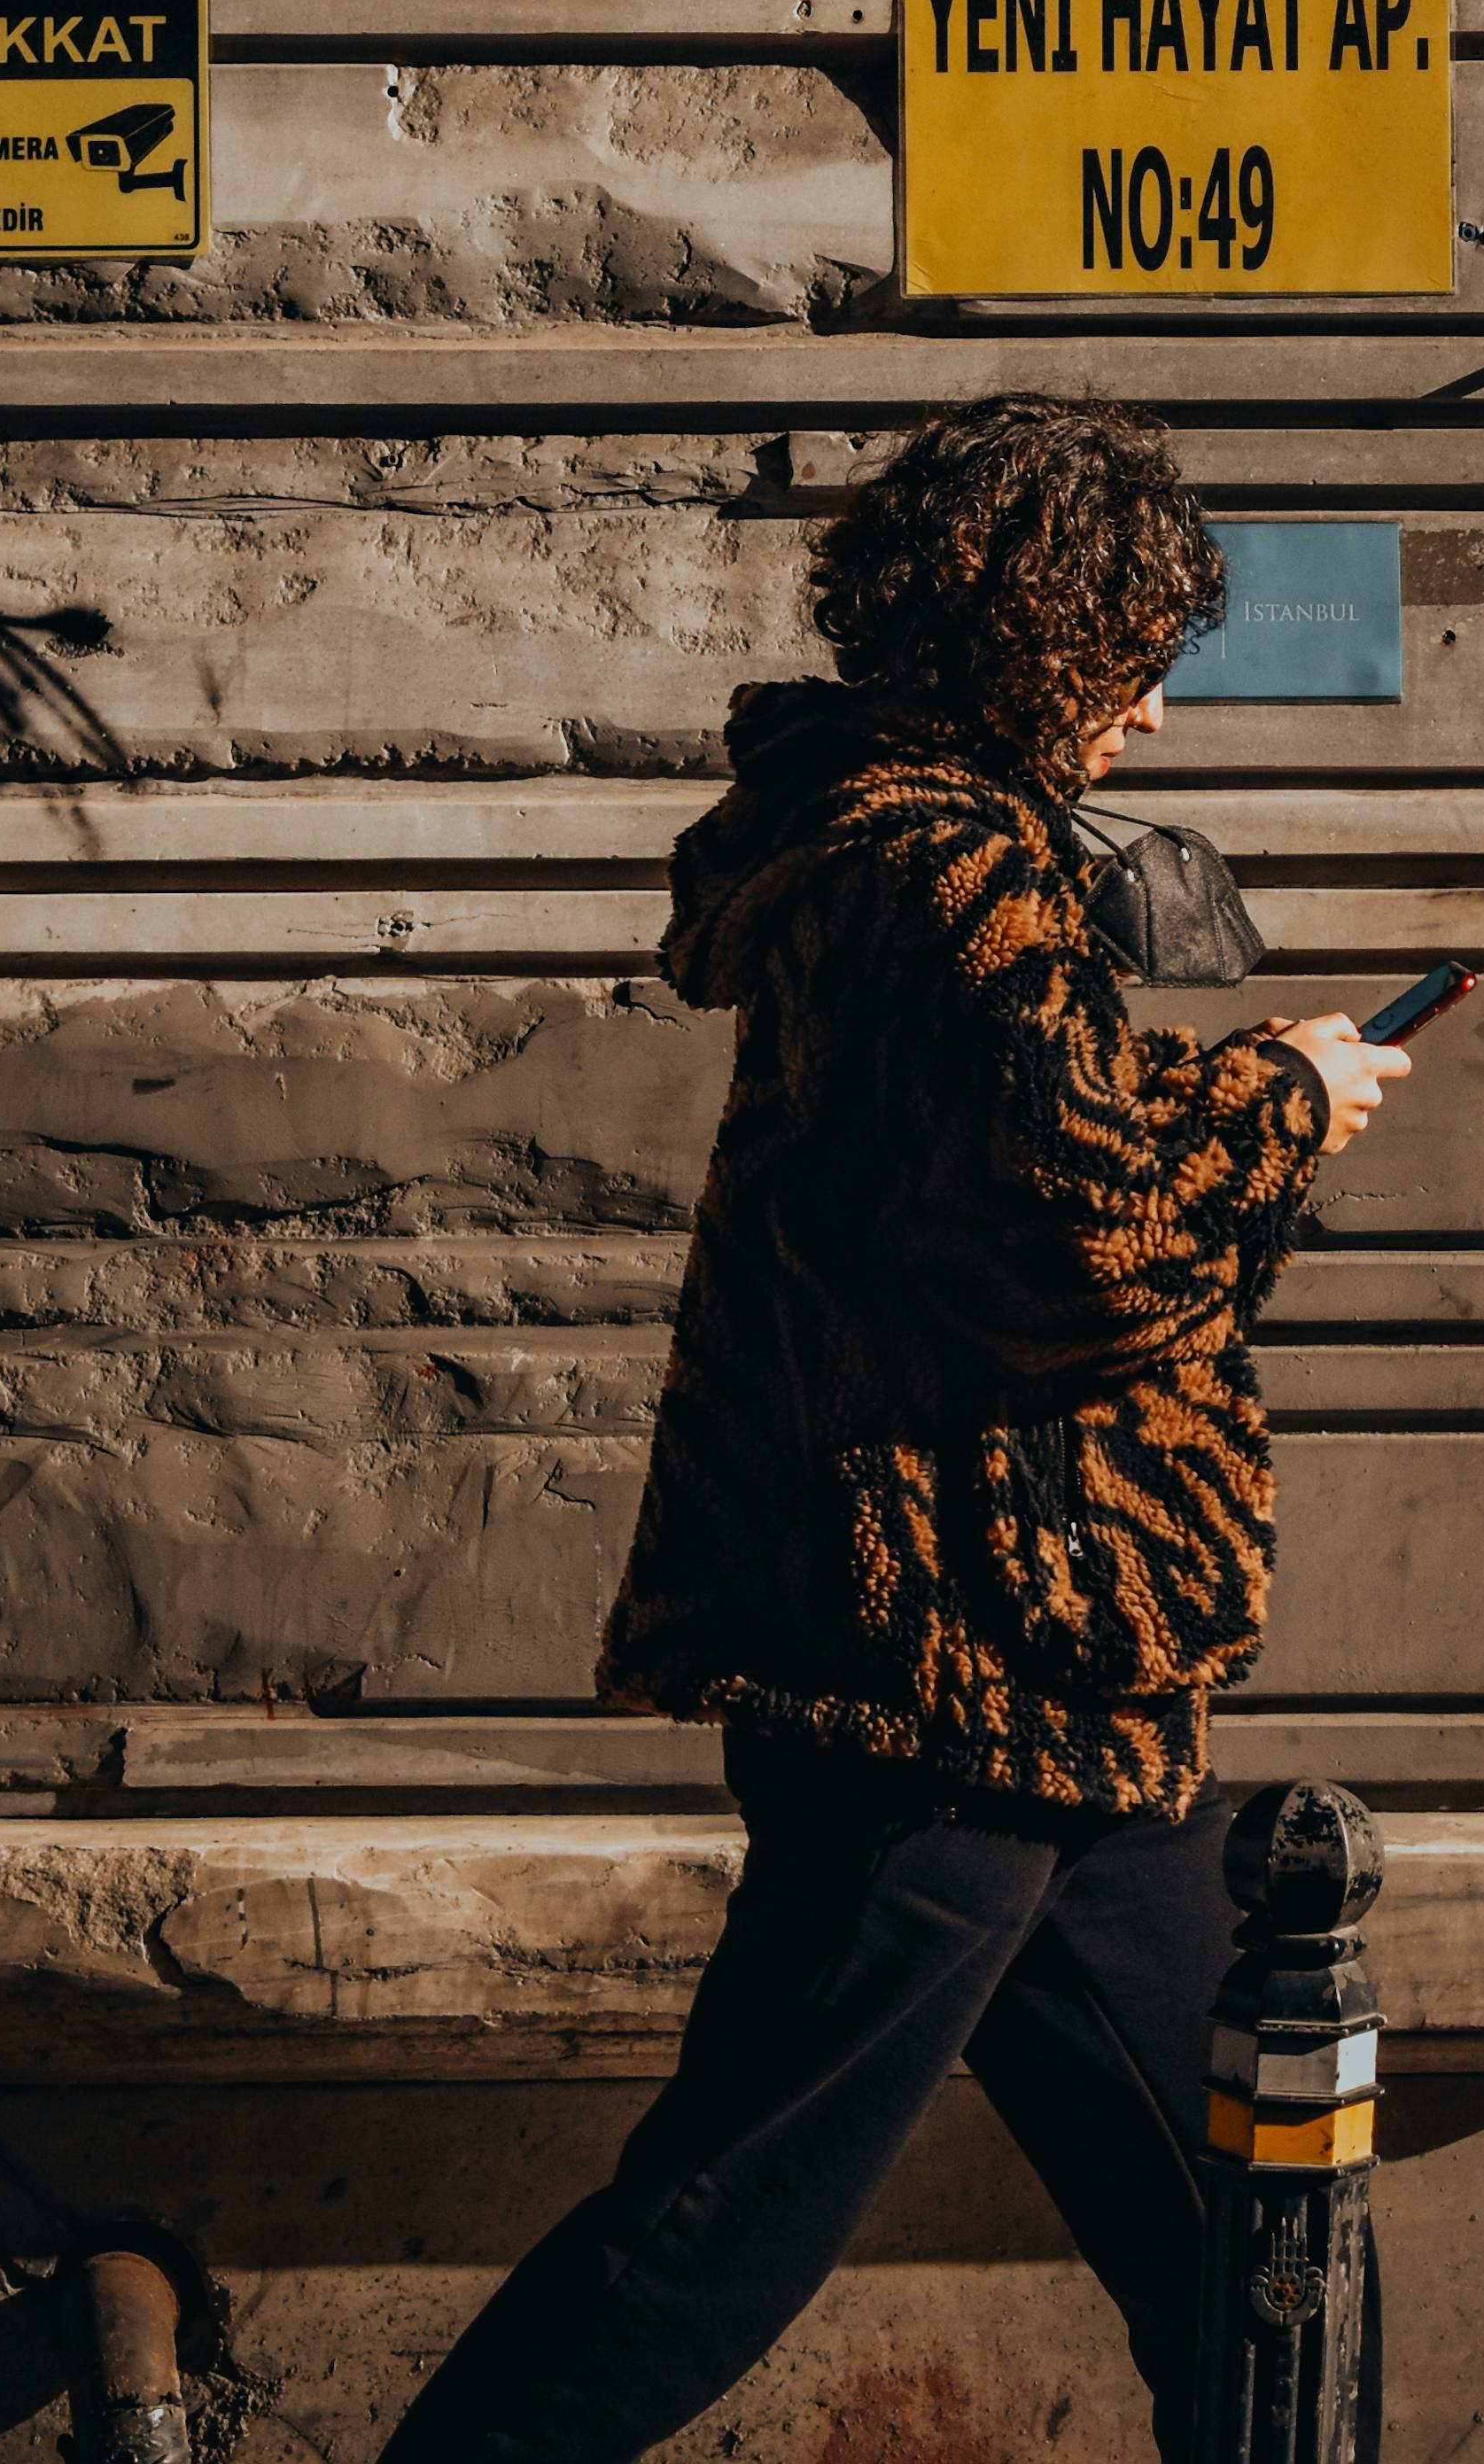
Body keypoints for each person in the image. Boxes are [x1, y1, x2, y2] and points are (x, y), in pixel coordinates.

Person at [377, 392, 1402, 2464]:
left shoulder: (909, 852)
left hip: (1056, 1685)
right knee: (708, 2240)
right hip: (946, 1682)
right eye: (1131, 671)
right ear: (1040, 642)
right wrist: (1287, 1096)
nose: (1155, 724)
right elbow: (1068, 1225)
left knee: (1259, 2242)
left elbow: (1001, 1194)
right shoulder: (942, 869)